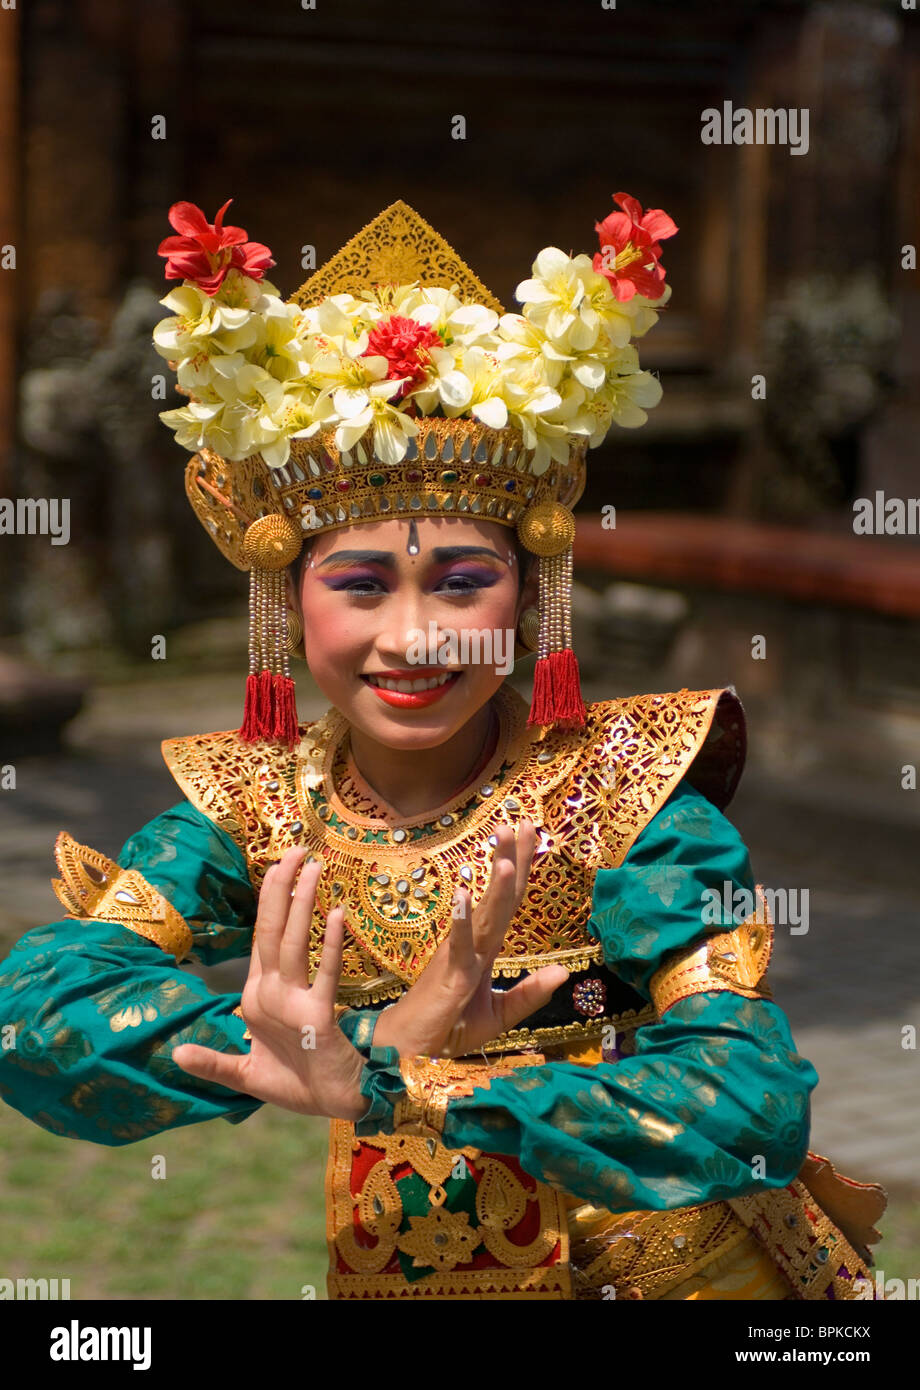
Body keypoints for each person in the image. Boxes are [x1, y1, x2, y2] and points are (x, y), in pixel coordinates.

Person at [0, 195, 887, 1301]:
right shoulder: (253, 805)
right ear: (285, 596)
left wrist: (390, 1081)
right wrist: (335, 1036)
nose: (415, 636)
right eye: (360, 584)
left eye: (463, 582)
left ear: (527, 594)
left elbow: (746, 1094)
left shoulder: (626, 789)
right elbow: (36, 1012)